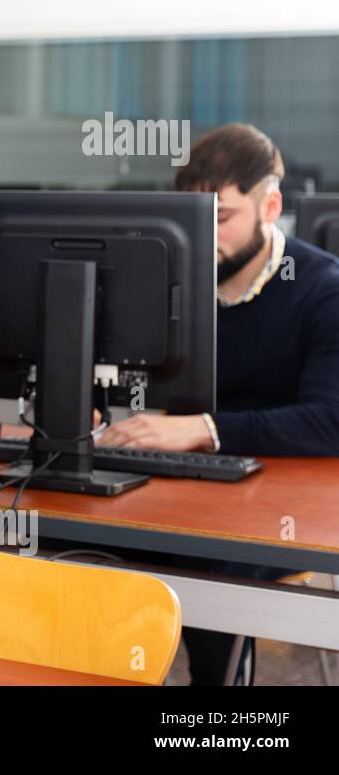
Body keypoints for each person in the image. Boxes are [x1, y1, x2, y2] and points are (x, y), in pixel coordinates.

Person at [98, 122, 339, 684]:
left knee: (208, 577)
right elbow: (130, 373)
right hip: (182, 486)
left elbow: (329, 422)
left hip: (284, 507)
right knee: (61, 544)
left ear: (270, 205)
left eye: (221, 217)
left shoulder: (324, 290)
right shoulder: (172, 281)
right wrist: (89, 400)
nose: (203, 236)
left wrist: (204, 429)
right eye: (191, 218)